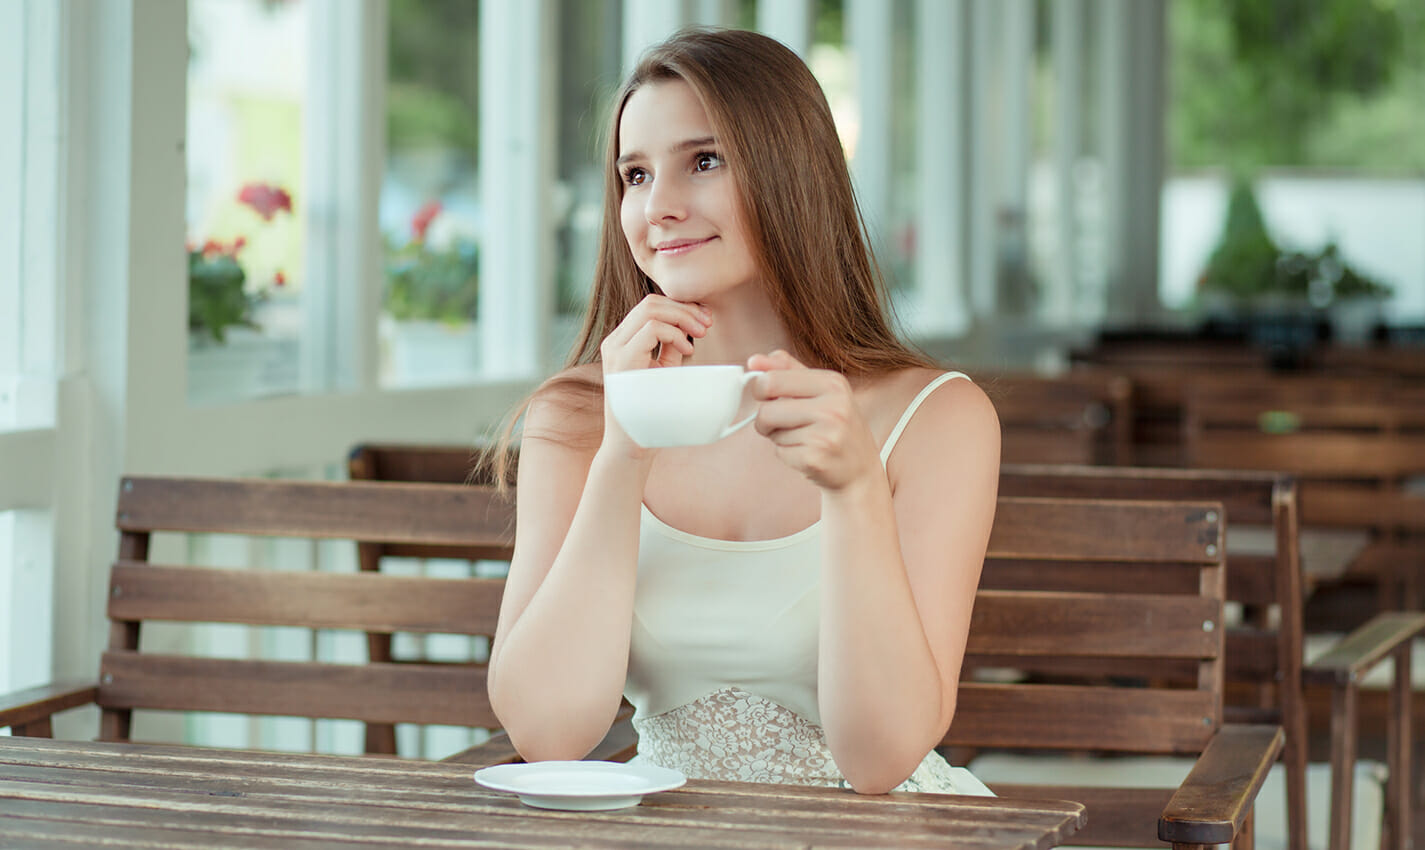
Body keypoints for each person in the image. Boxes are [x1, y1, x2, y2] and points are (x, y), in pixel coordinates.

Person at [485, 26, 1000, 795]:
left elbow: (880, 760)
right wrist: (624, 449)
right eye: (633, 175)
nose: (657, 208)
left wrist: (854, 489)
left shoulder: (938, 418)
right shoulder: (578, 418)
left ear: (792, 176)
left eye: (703, 161)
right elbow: (548, 731)